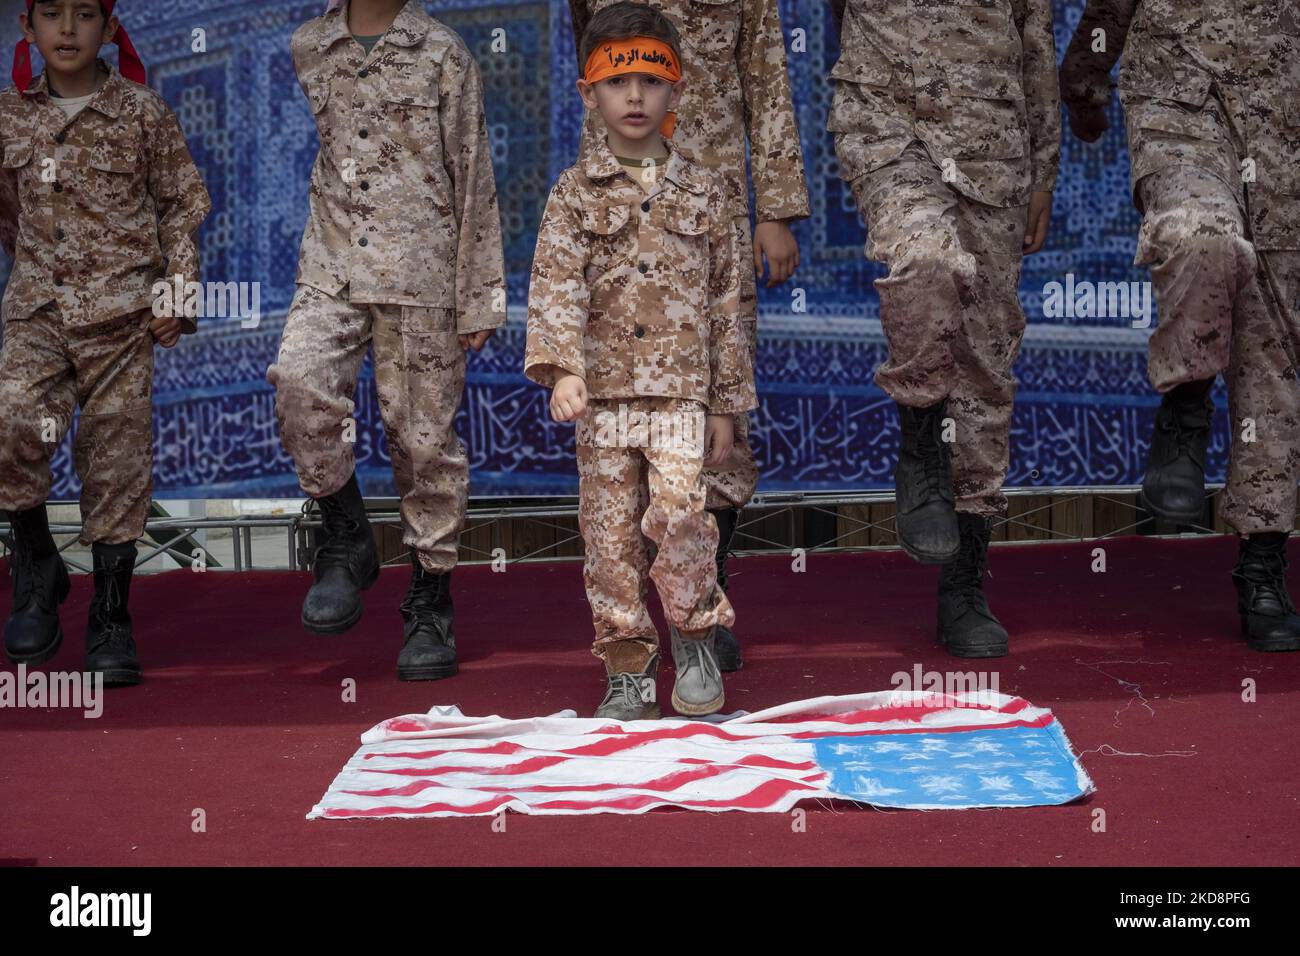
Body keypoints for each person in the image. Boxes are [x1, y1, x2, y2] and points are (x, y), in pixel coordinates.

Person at [525, 4, 755, 718]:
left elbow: (727, 302)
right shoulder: (571, 195)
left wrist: (725, 405)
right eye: (616, 80)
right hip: (603, 402)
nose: (634, 96)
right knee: (609, 538)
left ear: (676, 92)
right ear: (587, 92)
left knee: (683, 517)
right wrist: (561, 370)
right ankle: (626, 663)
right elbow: (555, 284)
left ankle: (693, 640)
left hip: (683, 402)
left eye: (650, 81)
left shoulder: (708, 192)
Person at [568, 0, 811, 672]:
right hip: (615, 209)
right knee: (623, 420)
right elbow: (591, 54)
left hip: (714, 212)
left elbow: (765, 78)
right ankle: (634, 624)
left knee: (714, 410)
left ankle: (705, 596)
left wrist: (777, 209)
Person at [267, 0, 506, 679]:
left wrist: (479, 292)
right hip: (333, 264)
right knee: (299, 380)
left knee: (423, 441)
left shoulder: (442, 52)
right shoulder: (310, 45)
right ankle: (345, 534)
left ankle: (431, 601)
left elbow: (473, 168)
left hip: (422, 271)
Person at [1060, 0, 1300, 651]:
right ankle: (1187, 400)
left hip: (1285, 140)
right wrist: (1085, 82)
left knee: (1273, 373)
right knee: (1202, 238)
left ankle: (1262, 570)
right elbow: (1110, 10)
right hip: (1182, 116)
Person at [827, 0, 1060, 657]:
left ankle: (964, 587)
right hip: (889, 125)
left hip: (992, 147)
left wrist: (1043, 170)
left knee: (985, 363)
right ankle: (921, 440)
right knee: (925, 259)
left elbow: (1034, 42)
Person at [0, 0, 211, 686]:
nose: (68, 29)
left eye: (85, 14)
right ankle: (36, 564)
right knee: (9, 423)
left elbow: (181, 203)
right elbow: (9, 212)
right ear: (27, 28)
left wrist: (177, 292)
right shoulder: (9, 115)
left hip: (124, 320)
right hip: (39, 315)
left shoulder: (142, 112)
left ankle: (111, 615)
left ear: (109, 29)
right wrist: (41, 272)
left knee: (117, 463)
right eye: (52, 14)